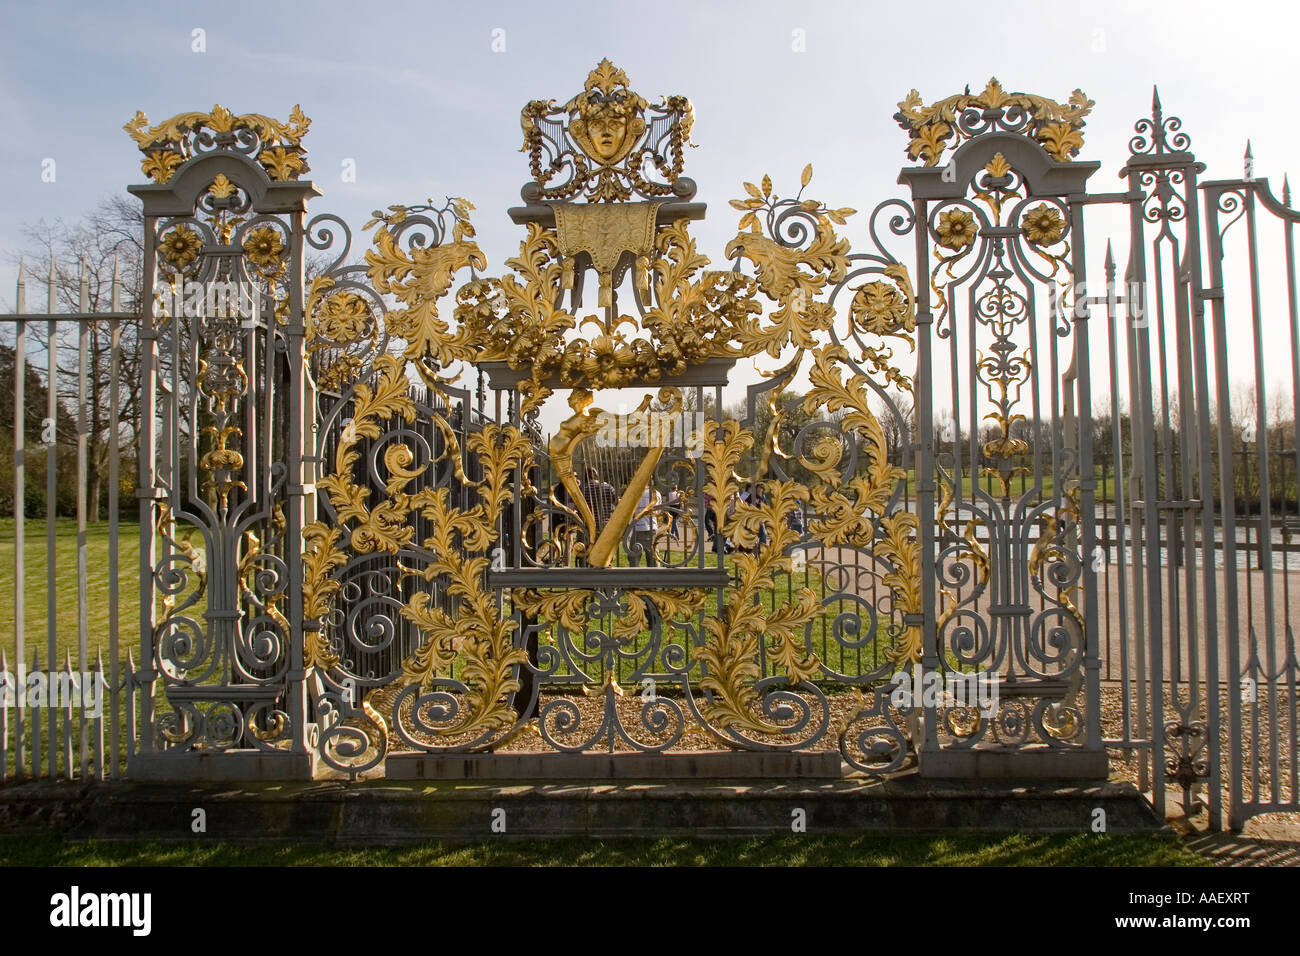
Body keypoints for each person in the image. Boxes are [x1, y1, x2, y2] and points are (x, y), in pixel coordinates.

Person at [629, 485, 660, 567]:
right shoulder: (656, 493)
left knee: (634, 558)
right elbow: (658, 511)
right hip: (652, 527)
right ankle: (655, 576)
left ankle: (634, 576)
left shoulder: (635, 493)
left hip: (638, 527)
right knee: (653, 558)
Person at [580, 467, 618, 533]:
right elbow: (618, 503)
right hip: (605, 524)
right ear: (597, 476)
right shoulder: (608, 487)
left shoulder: (581, 490)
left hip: (586, 525)